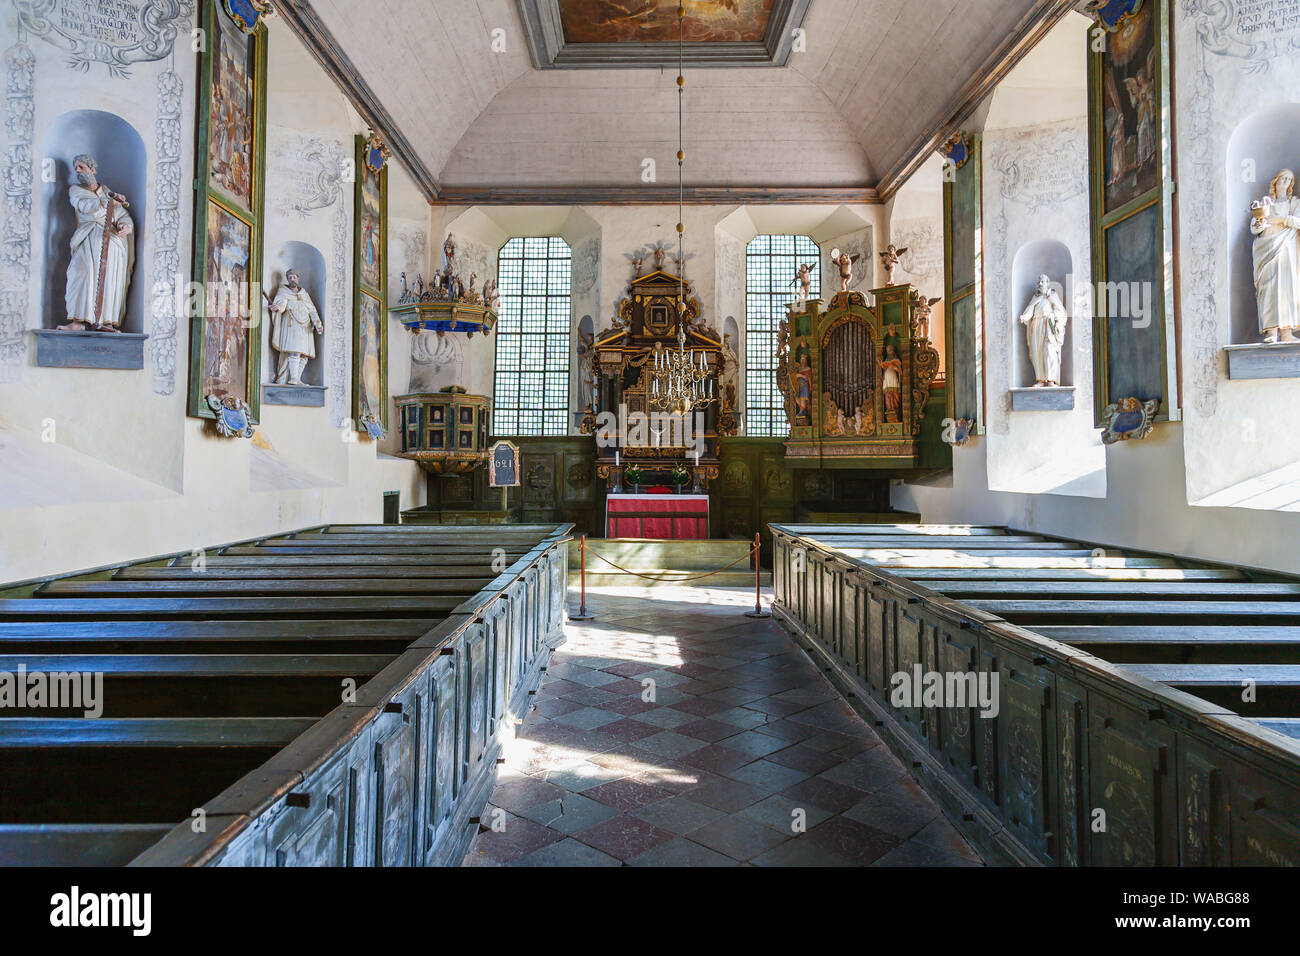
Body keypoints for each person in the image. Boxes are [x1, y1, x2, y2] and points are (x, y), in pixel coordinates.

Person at [61, 154, 133, 331]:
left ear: (92, 170)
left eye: (81, 167)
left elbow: (122, 214)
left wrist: (126, 226)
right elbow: (86, 207)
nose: (78, 171)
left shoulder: (106, 191)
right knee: (80, 273)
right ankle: (77, 322)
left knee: (109, 279)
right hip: (88, 237)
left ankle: (106, 321)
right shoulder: (76, 190)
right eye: (76, 168)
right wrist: (110, 202)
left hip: (111, 240)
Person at [1250, 169, 1300, 343]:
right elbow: (1255, 226)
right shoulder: (1266, 203)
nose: (1285, 182)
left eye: (1289, 179)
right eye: (1282, 178)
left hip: (1286, 250)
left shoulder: (1294, 203)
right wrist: (1259, 223)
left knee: (1287, 288)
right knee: (1269, 289)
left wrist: (1283, 219)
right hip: (1266, 250)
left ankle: (1286, 333)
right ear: (1276, 181)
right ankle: (1271, 332)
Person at [269, 269, 324, 385]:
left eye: (294, 277)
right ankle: (293, 378)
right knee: (295, 352)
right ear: (287, 279)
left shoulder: (304, 294)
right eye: (290, 277)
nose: (292, 279)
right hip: (291, 326)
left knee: (304, 355)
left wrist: (318, 324)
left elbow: (312, 310)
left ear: (298, 278)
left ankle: (298, 379)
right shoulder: (283, 292)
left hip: (305, 327)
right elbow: (282, 305)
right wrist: (277, 308)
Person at [1018, 274, 1068, 385]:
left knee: (1049, 350)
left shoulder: (1052, 296)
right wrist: (1024, 317)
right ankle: (1040, 379)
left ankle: (1051, 380)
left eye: (1042, 281)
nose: (1039, 284)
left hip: (1048, 326)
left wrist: (1056, 322)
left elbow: (1060, 311)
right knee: (1038, 352)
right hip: (1037, 326)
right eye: (1038, 282)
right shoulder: (1036, 297)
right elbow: (1030, 311)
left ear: (1047, 283)